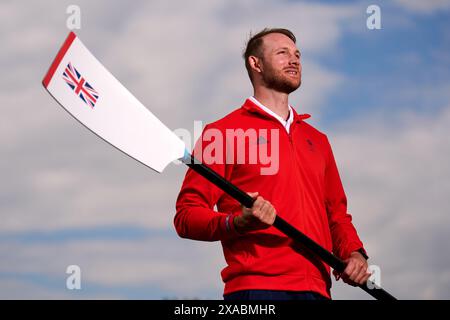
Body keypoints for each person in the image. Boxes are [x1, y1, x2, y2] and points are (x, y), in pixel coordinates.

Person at [174, 28, 371, 300]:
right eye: (282, 53)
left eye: (297, 55)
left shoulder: (318, 140)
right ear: (256, 64)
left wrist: (353, 253)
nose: (294, 60)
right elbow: (186, 216)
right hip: (257, 289)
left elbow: (336, 214)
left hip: (318, 289)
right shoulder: (222, 133)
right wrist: (237, 222)